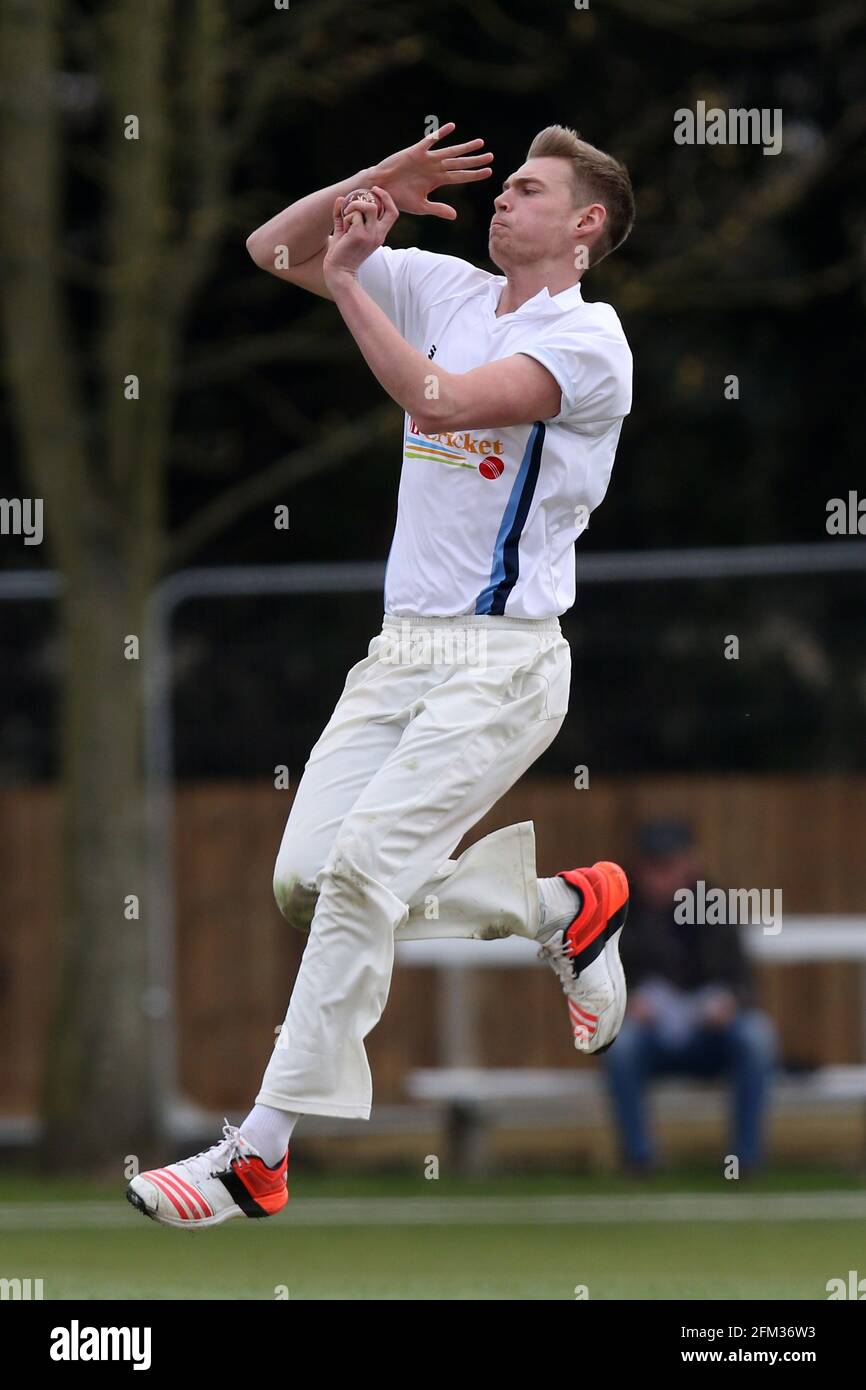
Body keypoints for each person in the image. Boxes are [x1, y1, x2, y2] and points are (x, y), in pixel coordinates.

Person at [127, 122, 635, 1226]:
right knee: (303, 883)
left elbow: (440, 402)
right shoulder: (445, 286)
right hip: (397, 652)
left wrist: (354, 278)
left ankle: (257, 1152)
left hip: (500, 666)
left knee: (360, 875)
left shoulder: (589, 344)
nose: (503, 202)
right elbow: (271, 247)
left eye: (530, 192)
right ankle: (559, 906)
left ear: (585, 226)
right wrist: (370, 186)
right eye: (502, 189)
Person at [600, 819, 778, 1176]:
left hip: (710, 1034)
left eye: (669, 865)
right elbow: (593, 981)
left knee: (756, 1036)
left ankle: (744, 1160)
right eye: (653, 867)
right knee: (620, 1044)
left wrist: (729, 1003)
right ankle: (639, 1160)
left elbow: (744, 981)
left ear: (690, 863)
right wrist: (624, 1003)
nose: (661, 877)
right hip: (650, 1036)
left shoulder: (716, 907)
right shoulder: (620, 913)